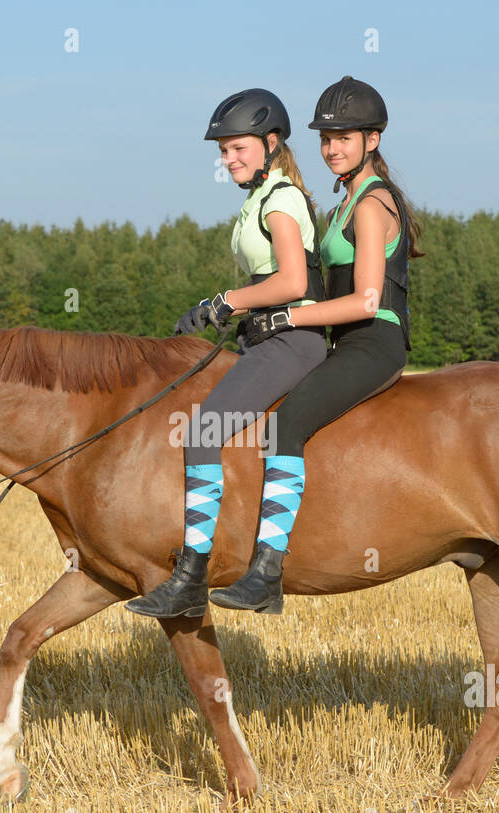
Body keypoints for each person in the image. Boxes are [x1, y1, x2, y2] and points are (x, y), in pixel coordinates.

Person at [209, 76, 424, 614]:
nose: (332, 148)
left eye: (344, 138)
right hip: (344, 343)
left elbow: (366, 301)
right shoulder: (346, 198)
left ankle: (266, 573)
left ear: (372, 140)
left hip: (373, 342)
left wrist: (288, 313)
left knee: (286, 423)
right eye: (326, 139)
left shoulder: (372, 204)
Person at [125, 89, 328, 619]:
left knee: (204, 431)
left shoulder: (281, 199)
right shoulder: (258, 200)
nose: (228, 159)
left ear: (271, 143)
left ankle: (196, 576)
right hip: (264, 337)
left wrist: (224, 302)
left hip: (293, 340)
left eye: (237, 148)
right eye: (222, 151)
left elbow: (292, 280)